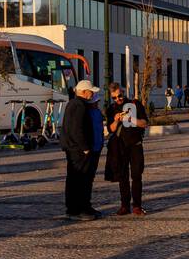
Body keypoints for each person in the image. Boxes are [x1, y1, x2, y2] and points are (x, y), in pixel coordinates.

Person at [62, 80, 103, 220]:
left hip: (73, 149)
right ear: (84, 92)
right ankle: (77, 210)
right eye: (91, 91)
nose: (92, 94)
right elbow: (76, 129)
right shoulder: (79, 105)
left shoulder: (73, 103)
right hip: (78, 151)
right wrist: (85, 147)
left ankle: (83, 207)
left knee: (77, 179)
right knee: (80, 180)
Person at [105, 82, 148, 216]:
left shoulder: (135, 104)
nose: (118, 99)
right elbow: (110, 129)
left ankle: (137, 205)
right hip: (120, 147)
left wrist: (131, 119)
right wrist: (116, 120)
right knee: (122, 177)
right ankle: (124, 205)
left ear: (124, 93)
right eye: (115, 98)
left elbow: (144, 123)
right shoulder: (111, 108)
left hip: (135, 145)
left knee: (136, 175)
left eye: (120, 96)